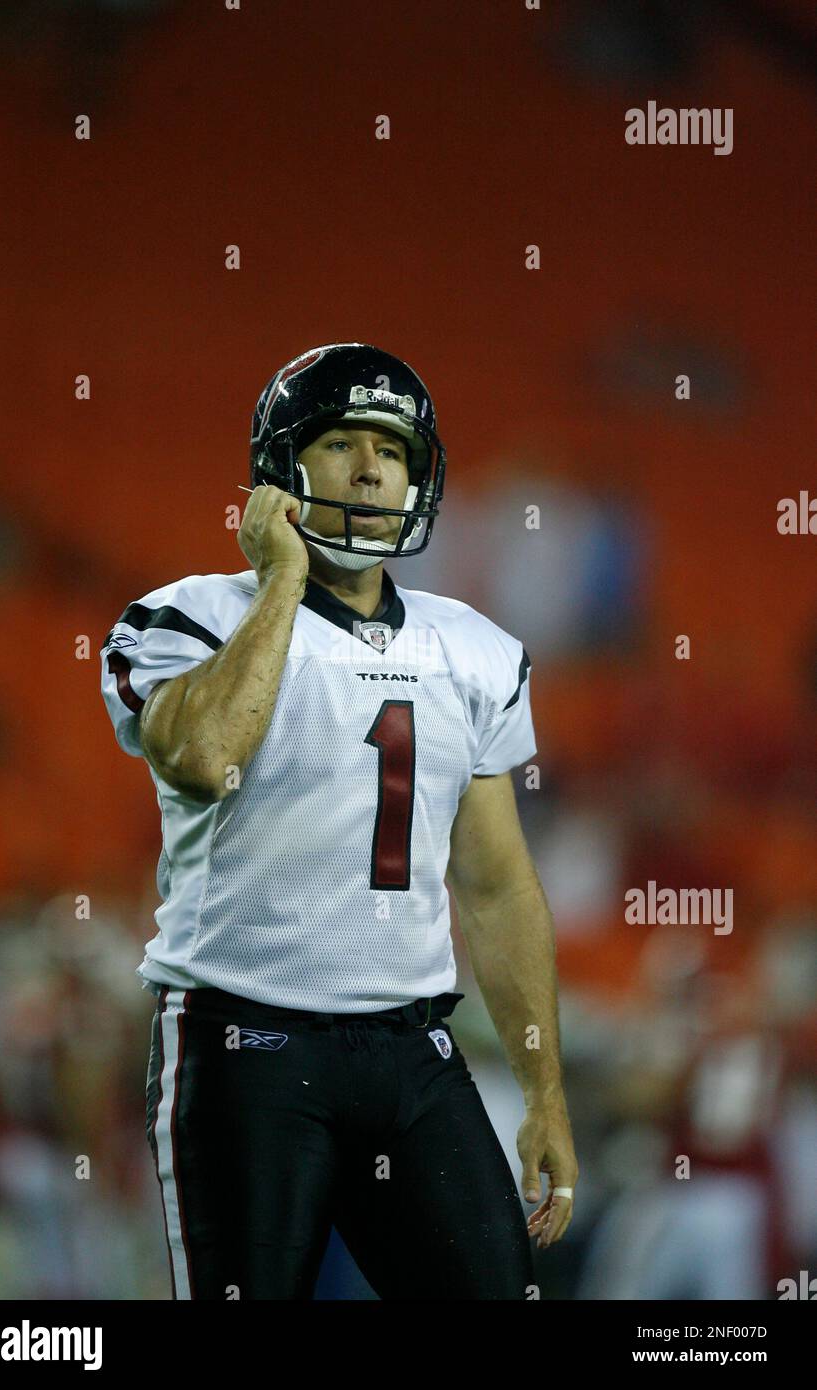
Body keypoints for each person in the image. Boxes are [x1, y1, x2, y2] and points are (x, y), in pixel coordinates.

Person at [100, 342, 578, 1300]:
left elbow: (494, 885)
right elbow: (202, 756)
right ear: (280, 471)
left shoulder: (472, 648)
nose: (370, 469)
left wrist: (544, 1090)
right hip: (245, 1039)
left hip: (411, 1052)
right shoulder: (188, 615)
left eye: (392, 450)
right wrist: (280, 581)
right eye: (342, 442)